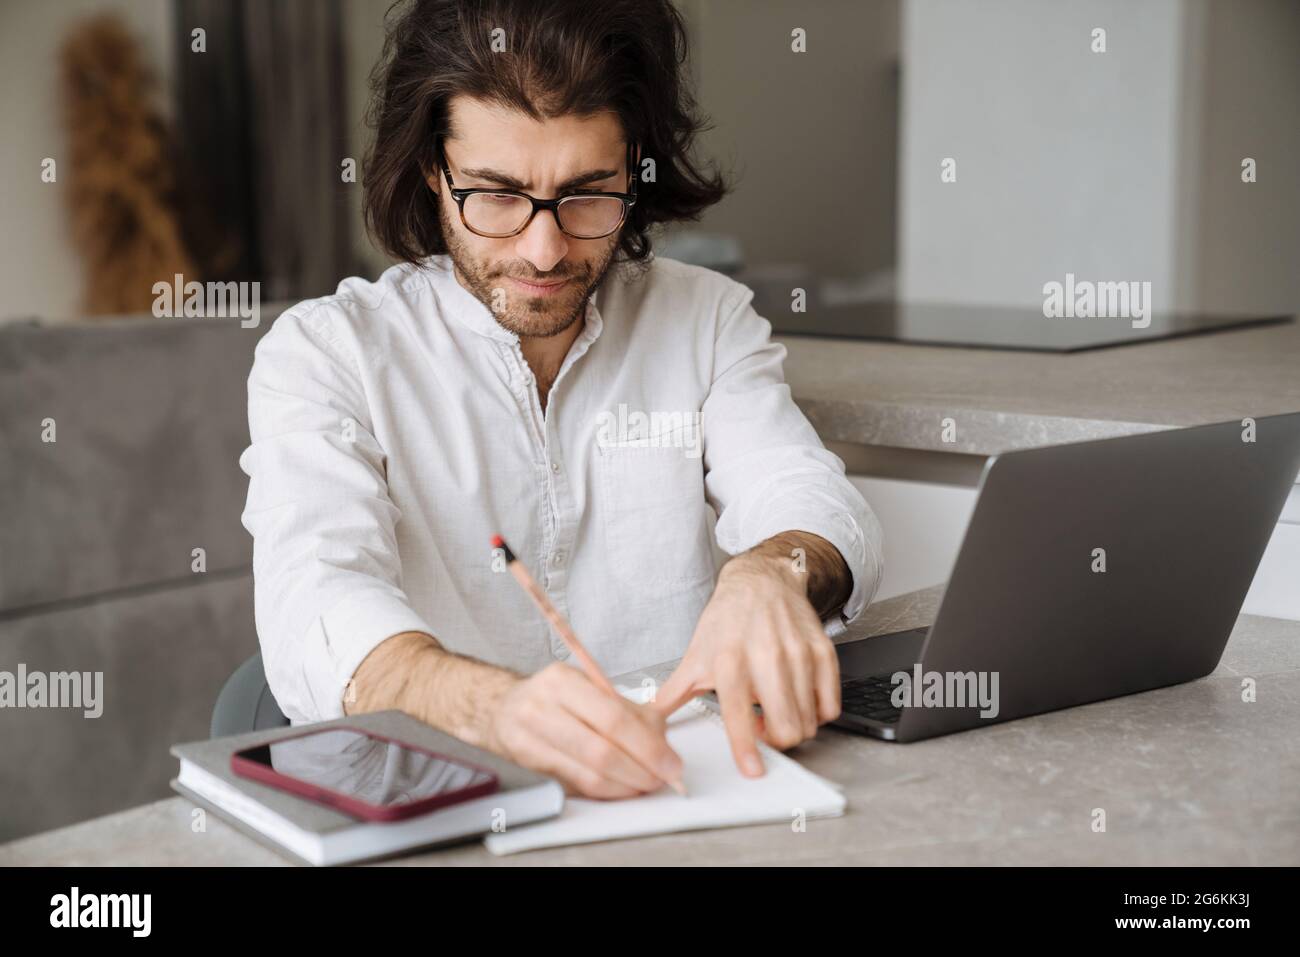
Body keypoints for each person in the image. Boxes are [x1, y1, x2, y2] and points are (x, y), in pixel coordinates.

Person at [240, 0, 883, 799]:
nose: (544, 249)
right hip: (455, 819)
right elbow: (317, 599)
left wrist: (771, 575)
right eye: (498, 195)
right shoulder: (327, 355)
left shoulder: (706, 321)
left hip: (683, 805)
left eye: (585, 193)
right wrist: (494, 711)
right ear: (434, 171)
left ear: (633, 167)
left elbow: (811, 498)